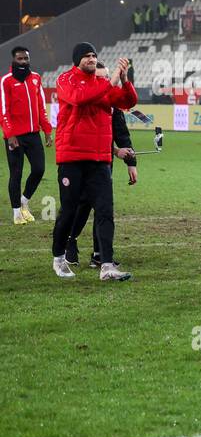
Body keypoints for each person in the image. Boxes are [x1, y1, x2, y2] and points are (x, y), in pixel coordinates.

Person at [50, 43, 137, 281]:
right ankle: (58, 258)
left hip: (99, 160)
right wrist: (110, 82)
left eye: (93, 55)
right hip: (72, 157)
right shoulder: (66, 79)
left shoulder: (102, 86)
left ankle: (107, 265)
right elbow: (78, 99)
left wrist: (125, 80)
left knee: (105, 212)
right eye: (87, 56)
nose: (91, 58)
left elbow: (128, 102)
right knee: (69, 211)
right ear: (77, 60)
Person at [3, 46, 50, 224]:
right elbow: (3, 111)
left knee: (39, 169)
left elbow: (40, 106)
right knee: (16, 174)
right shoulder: (6, 81)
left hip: (33, 135)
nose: (23, 62)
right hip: (15, 136)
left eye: (26, 59)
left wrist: (46, 130)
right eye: (20, 59)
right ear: (14, 60)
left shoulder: (36, 78)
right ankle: (17, 213)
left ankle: (24, 202)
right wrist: (10, 134)